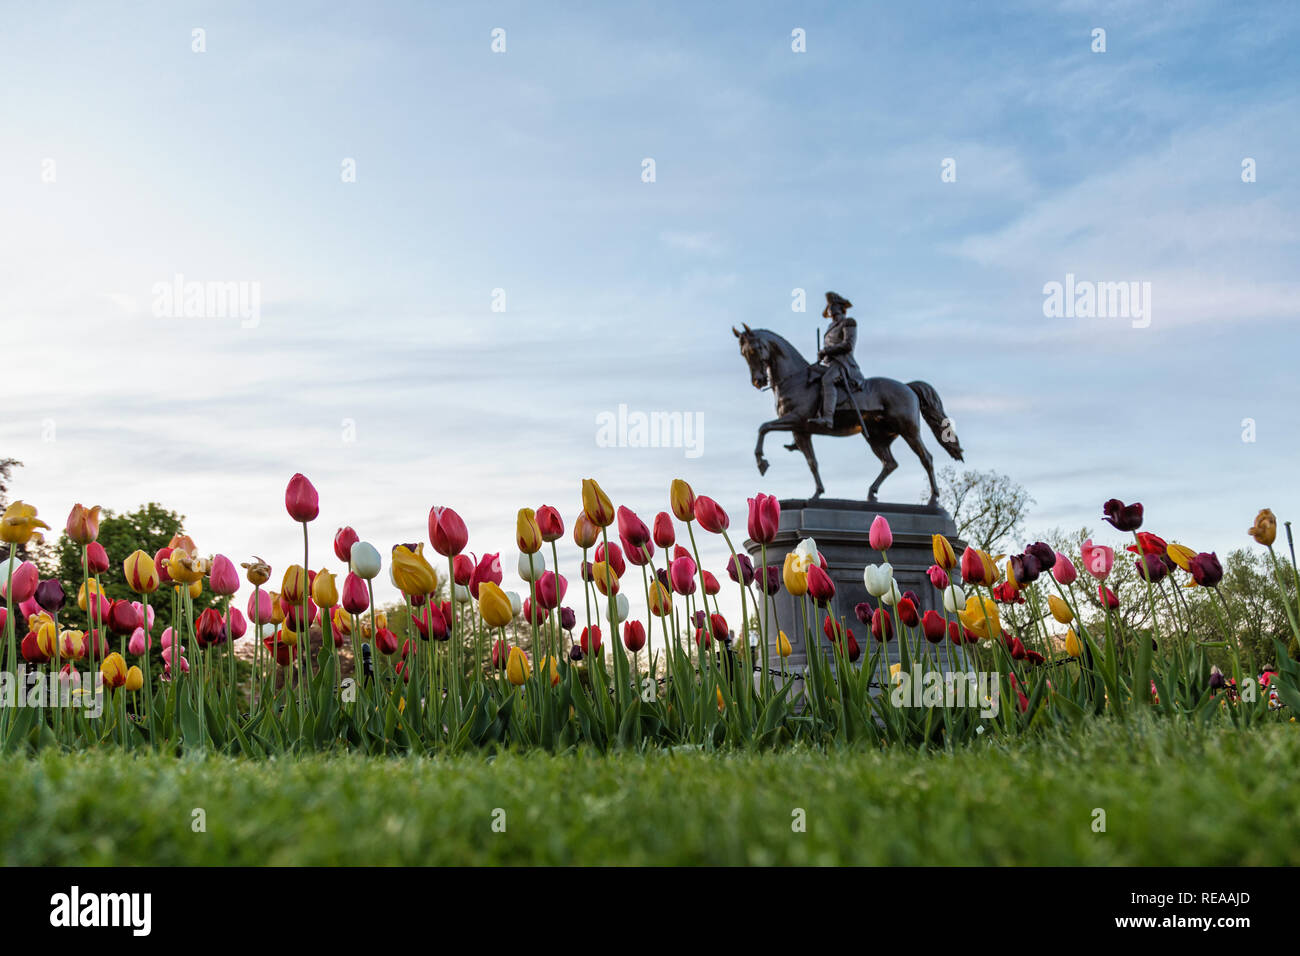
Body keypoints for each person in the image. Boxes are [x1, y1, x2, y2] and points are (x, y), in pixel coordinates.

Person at [810, 291, 867, 427]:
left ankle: (828, 418)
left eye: (832, 305)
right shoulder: (830, 327)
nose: (829, 309)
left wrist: (826, 351)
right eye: (829, 306)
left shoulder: (848, 322)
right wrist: (822, 355)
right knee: (811, 377)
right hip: (830, 363)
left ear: (840, 307)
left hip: (843, 363)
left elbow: (848, 345)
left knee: (827, 380)